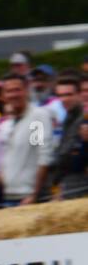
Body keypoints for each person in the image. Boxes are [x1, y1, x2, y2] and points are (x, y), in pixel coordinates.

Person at [0, 74, 55, 205]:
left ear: (26, 90)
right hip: (10, 195)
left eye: (17, 89)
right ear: (3, 95)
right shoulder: (8, 122)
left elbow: (43, 157)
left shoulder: (36, 117)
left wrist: (34, 194)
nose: (13, 95)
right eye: (9, 91)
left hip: (27, 197)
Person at [52, 71, 87, 201]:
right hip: (68, 185)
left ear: (79, 94)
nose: (64, 99)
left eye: (69, 94)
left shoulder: (83, 119)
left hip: (80, 187)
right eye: (60, 95)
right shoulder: (68, 117)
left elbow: (71, 158)